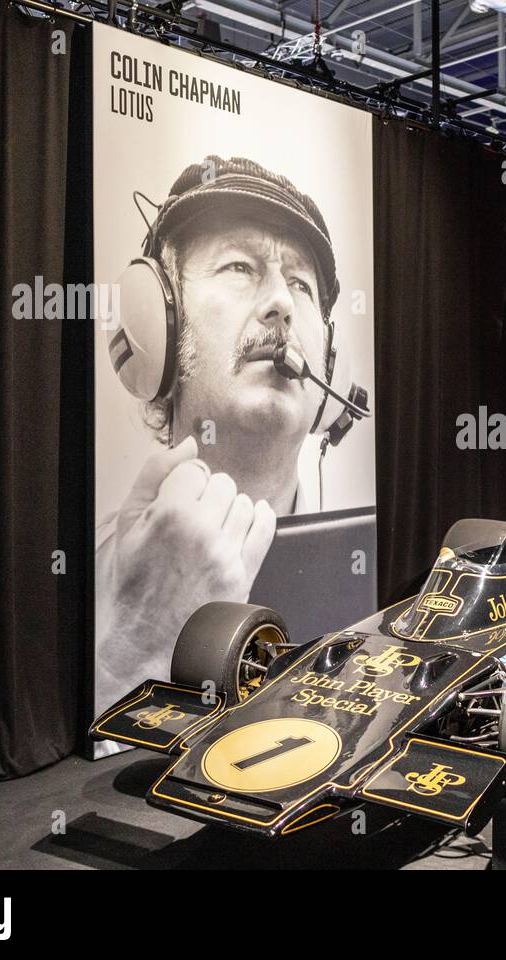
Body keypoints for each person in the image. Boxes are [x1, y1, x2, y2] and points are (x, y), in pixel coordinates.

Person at [95, 156, 340, 718]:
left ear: (331, 358)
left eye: (300, 283)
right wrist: (137, 645)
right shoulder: (74, 582)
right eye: (238, 267)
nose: (280, 301)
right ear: (160, 321)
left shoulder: (360, 577)